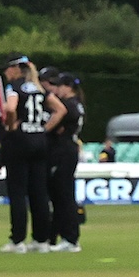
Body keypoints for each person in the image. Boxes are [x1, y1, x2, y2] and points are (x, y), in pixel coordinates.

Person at [0, 55, 63, 253]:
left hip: (19, 143)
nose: (5, 73)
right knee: (39, 193)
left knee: (18, 193)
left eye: (7, 69)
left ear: (15, 69)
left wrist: (10, 125)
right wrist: (44, 129)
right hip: (39, 142)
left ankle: (17, 240)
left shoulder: (14, 87)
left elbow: (10, 107)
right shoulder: (39, 88)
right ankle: (41, 240)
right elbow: (60, 110)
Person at [44, 69, 86, 252]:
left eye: (59, 86)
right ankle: (62, 236)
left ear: (67, 87)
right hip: (69, 149)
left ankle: (70, 238)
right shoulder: (77, 104)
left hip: (64, 151)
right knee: (62, 195)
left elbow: (58, 125)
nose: (56, 90)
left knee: (64, 196)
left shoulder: (69, 105)